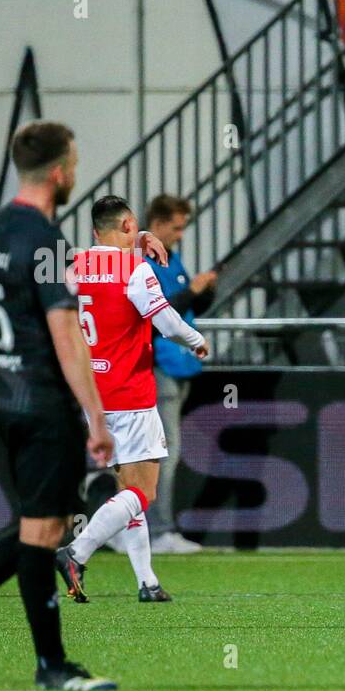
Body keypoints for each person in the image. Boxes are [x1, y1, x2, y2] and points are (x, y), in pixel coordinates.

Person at [0, 121, 163, 691]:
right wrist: (95, 416)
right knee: (42, 529)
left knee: (39, 528)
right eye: (73, 164)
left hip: (7, 395)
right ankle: (44, 662)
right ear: (58, 173)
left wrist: (9, 355)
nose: (75, 174)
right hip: (46, 404)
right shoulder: (48, 241)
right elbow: (67, 334)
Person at [54, 196, 209, 604]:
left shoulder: (75, 268)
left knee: (127, 490)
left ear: (93, 232)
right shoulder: (134, 269)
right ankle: (78, 551)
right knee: (145, 492)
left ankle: (147, 581)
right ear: (127, 225)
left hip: (93, 395)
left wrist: (139, 236)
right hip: (131, 393)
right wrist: (196, 340)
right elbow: (166, 321)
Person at [143, 195, 217, 554]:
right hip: (159, 364)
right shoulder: (145, 264)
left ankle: (142, 528)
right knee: (162, 451)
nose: (180, 234)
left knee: (160, 450)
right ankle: (158, 531)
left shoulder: (173, 259)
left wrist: (204, 293)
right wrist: (192, 291)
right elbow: (159, 315)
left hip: (179, 362)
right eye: (176, 227)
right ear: (156, 224)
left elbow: (186, 309)